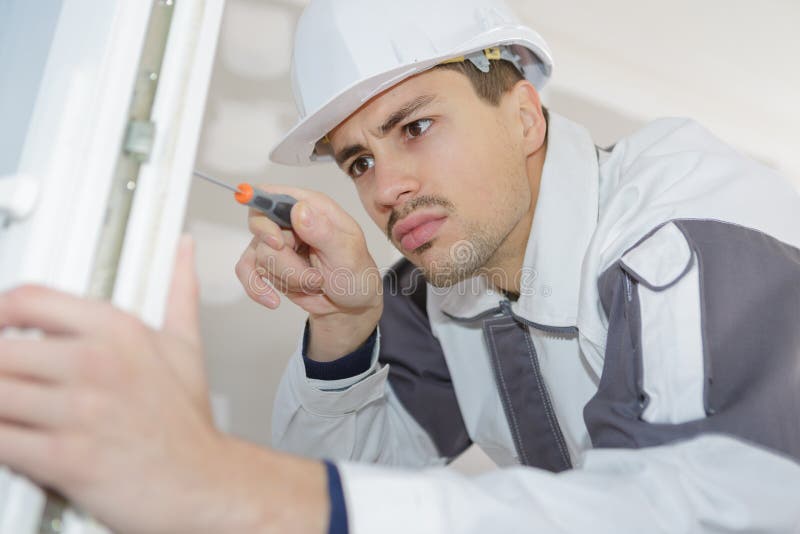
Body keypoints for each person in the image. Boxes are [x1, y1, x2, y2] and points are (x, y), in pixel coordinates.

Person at [0, 0, 799, 532]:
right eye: (356, 161)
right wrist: (347, 327)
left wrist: (213, 480)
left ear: (522, 112)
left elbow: (709, 512)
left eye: (414, 127)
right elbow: (334, 478)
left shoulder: (680, 232)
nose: (386, 189)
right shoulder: (440, 283)